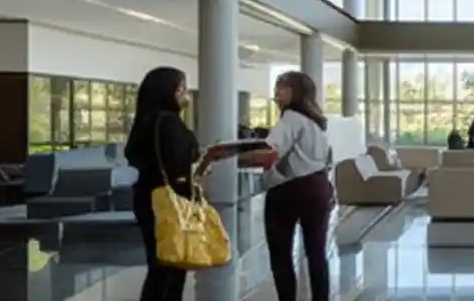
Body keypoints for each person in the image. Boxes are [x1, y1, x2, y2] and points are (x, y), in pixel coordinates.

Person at [124, 67, 222, 301]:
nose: (185, 95)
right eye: (181, 89)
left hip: (148, 197)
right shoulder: (169, 123)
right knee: (172, 268)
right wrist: (203, 162)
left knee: (159, 265)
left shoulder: (145, 122)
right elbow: (179, 167)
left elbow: (138, 158)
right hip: (172, 202)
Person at [241, 72, 334, 301]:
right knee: (316, 253)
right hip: (319, 187)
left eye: (283, 87)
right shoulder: (316, 123)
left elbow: (271, 153)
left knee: (280, 254)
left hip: (290, 190)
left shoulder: (291, 118)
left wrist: (235, 157)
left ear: (297, 92)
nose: (277, 92)